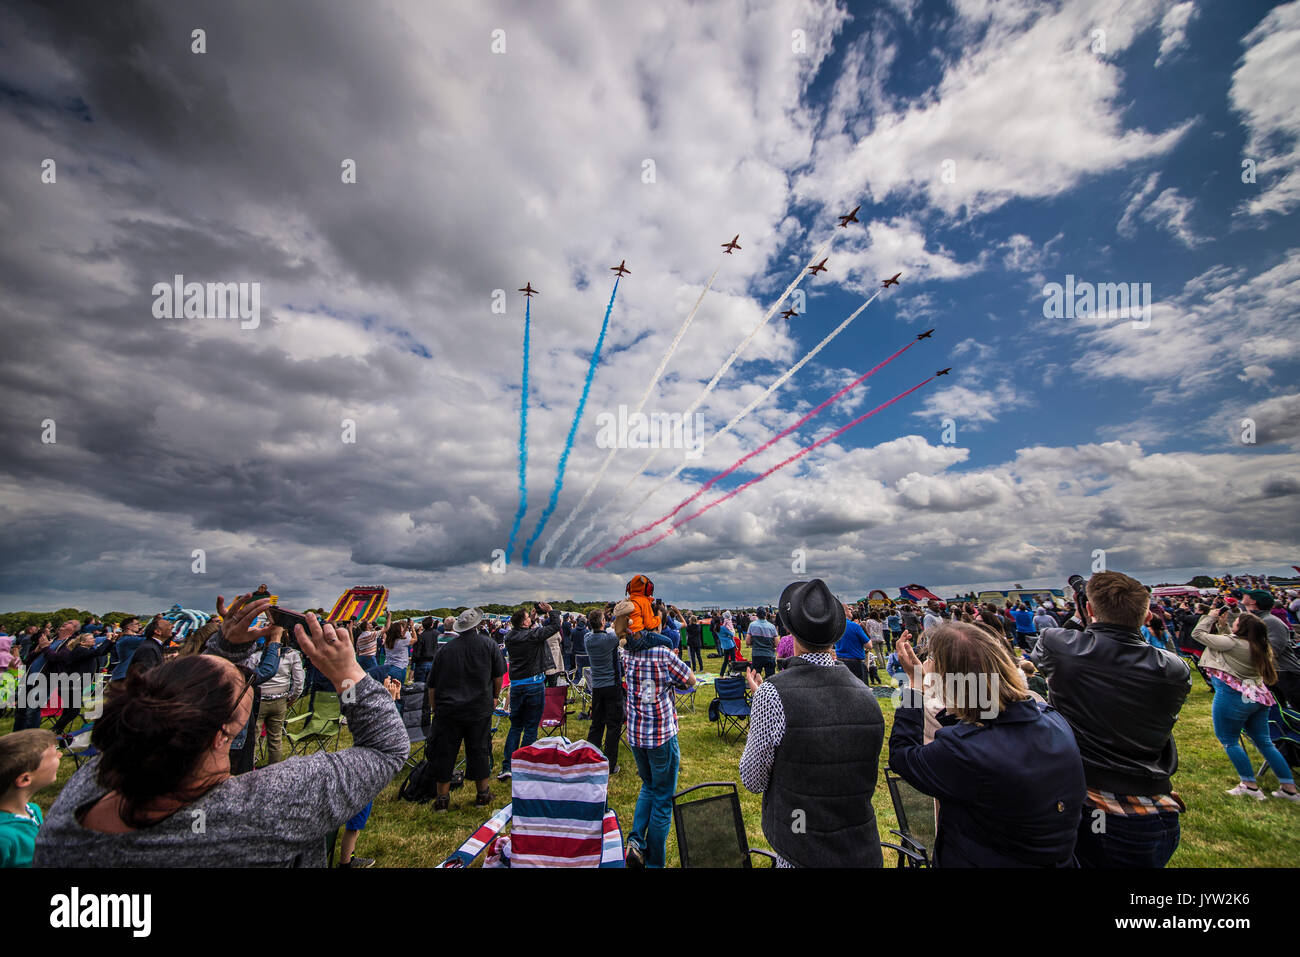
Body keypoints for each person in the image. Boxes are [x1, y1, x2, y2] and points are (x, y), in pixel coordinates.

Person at [33, 598, 409, 867]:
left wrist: (226, 646)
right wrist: (349, 673)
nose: (246, 675)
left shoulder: (86, 790)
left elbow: (199, 693)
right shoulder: (259, 807)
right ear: (221, 736)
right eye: (243, 681)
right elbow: (387, 748)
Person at [890, 624, 1085, 866]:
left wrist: (915, 684)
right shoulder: (1054, 722)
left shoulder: (964, 751)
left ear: (950, 681)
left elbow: (902, 754)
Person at [1033, 571, 1192, 868]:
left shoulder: (1061, 646)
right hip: (1156, 804)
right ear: (1146, 615)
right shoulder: (1175, 670)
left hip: (1099, 807)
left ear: (1089, 610)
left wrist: (1081, 614)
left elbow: (1053, 649)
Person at [740, 579, 884, 867]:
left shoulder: (773, 695)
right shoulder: (866, 694)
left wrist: (765, 702)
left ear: (790, 630)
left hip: (800, 852)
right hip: (861, 850)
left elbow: (753, 779)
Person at [1194, 609, 1299, 801]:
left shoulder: (1233, 644)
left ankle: (1249, 786)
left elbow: (1198, 634)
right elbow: (1226, 638)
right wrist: (1223, 624)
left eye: (1237, 621)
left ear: (1242, 628)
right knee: (1265, 742)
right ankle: (1289, 788)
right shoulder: (1258, 644)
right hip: (1257, 696)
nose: (1234, 621)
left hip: (1233, 695)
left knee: (1229, 739)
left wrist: (1210, 616)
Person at [622, 611, 696, 868]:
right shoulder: (663, 655)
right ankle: (654, 863)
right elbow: (690, 680)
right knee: (663, 799)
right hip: (661, 735)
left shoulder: (627, 655)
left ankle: (635, 842)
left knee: (648, 786)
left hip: (636, 734)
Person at [429, 608, 505, 810]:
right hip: (478, 707)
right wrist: (495, 696)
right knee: (479, 749)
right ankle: (482, 794)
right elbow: (499, 676)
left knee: (444, 752)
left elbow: (432, 685)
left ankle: (442, 798)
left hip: (448, 709)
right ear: (478, 625)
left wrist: (435, 708)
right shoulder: (489, 645)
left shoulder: (445, 650)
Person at [498, 601, 562, 780]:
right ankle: (525, 763)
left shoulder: (510, 637)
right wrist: (551, 611)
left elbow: (525, 630)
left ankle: (508, 766)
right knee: (531, 727)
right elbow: (555, 626)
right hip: (534, 684)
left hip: (517, 685)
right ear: (525, 623)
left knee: (516, 726)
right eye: (527, 618)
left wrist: (531, 618)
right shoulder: (533, 636)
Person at [0, 729, 61, 868]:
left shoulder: (33, 809)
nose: (60, 754)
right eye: (53, 756)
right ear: (25, 779)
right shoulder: (4, 837)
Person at [1241, 589, 1300, 708]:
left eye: (1246, 595)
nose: (1243, 595)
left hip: (1284, 672)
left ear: (1253, 601)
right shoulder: (1255, 620)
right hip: (1270, 672)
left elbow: (1274, 649)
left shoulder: (1271, 621)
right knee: (1276, 711)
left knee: (1296, 708)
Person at [583, 609, 623, 773]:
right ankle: (610, 763)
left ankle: (590, 758)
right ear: (602, 623)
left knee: (597, 724)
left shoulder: (587, 639)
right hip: (612, 685)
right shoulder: (610, 639)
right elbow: (619, 630)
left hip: (597, 687)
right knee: (613, 725)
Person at [254, 636, 304, 765]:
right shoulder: (292, 655)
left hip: (259, 699)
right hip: (280, 699)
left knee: (253, 738)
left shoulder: (256, 655)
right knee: (275, 738)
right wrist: (293, 697)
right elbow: (299, 681)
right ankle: (274, 769)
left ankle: (248, 768)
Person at [835, 606, 870, 683]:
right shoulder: (855, 626)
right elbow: (869, 645)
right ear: (844, 612)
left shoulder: (835, 626)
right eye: (849, 609)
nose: (851, 611)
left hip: (840, 661)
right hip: (855, 662)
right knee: (861, 690)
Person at [745, 608, 779, 679]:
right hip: (769, 655)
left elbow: (747, 642)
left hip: (757, 654)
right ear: (766, 615)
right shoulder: (772, 627)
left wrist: (754, 643)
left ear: (757, 615)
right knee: (771, 679)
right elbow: (776, 643)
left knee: (756, 679)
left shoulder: (752, 625)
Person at [411, 617, 439, 686]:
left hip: (422, 663)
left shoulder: (421, 636)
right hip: (434, 662)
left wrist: (414, 660)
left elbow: (417, 651)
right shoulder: (438, 635)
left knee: (419, 687)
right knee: (432, 687)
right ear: (432, 624)